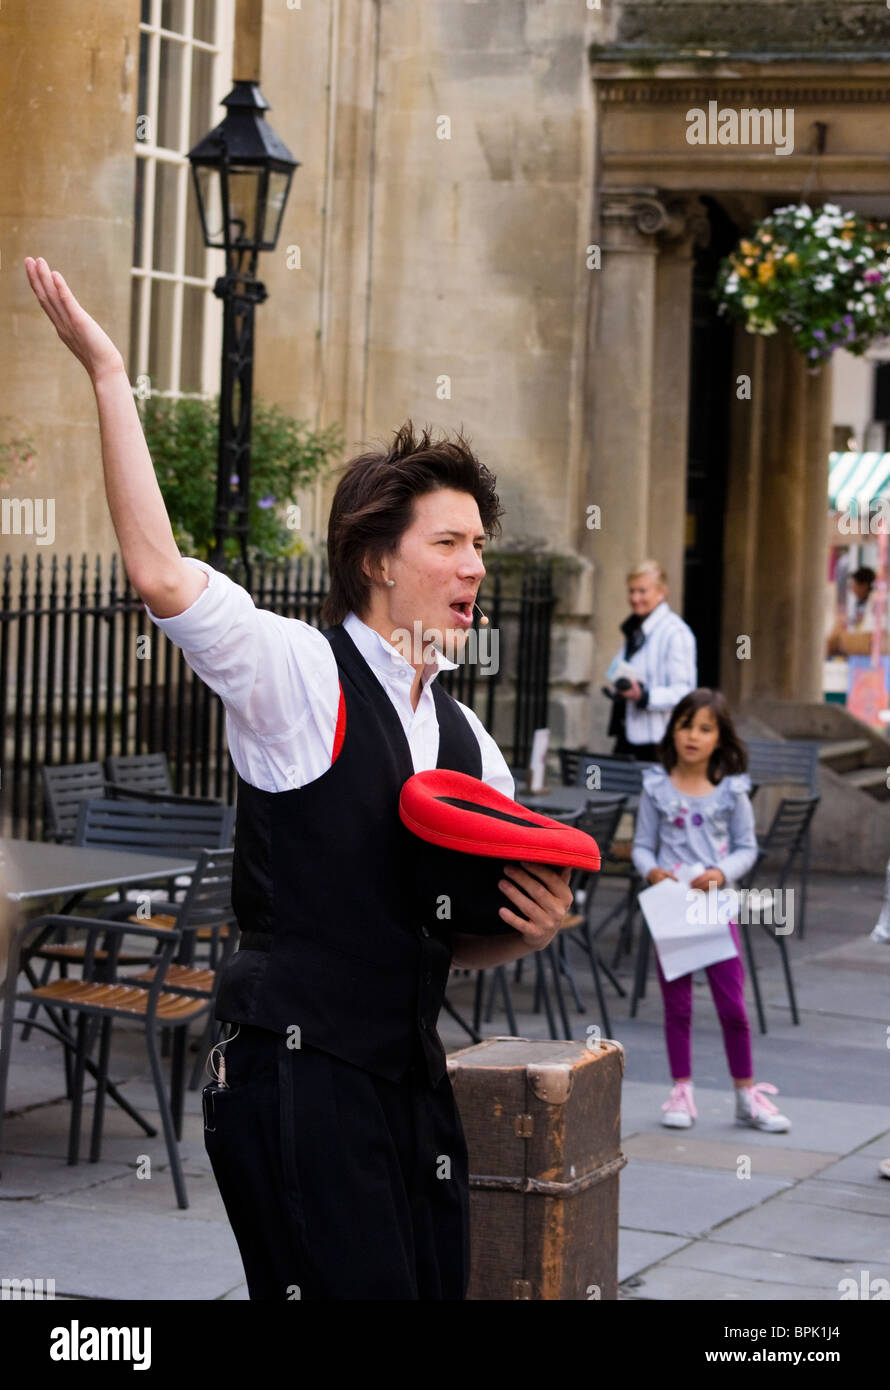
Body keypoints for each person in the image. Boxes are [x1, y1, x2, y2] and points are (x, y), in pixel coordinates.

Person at [23, 255, 575, 1301]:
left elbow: (447, 938)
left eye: (480, 547)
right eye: (449, 543)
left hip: (410, 1081)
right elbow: (158, 570)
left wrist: (527, 928)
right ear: (377, 560)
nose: (474, 568)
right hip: (295, 1073)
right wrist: (106, 373)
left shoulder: (470, 747)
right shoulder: (292, 671)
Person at [631, 688, 792, 1133]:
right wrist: (653, 872)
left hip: (716, 910)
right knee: (677, 1005)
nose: (693, 736)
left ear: (720, 738)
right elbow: (642, 846)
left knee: (732, 1006)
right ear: (673, 730)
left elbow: (747, 848)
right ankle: (681, 1088)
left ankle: (746, 1092)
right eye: (686, 725)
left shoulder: (731, 793)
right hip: (671, 909)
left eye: (705, 728)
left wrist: (721, 872)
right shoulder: (656, 789)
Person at [606, 560, 696, 762]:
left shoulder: (676, 633)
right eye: (631, 591)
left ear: (662, 592)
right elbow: (620, 670)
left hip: (659, 743)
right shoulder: (634, 629)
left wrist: (644, 696)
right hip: (627, 735)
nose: (635, 598)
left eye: (642, 591)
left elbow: (685, 692)